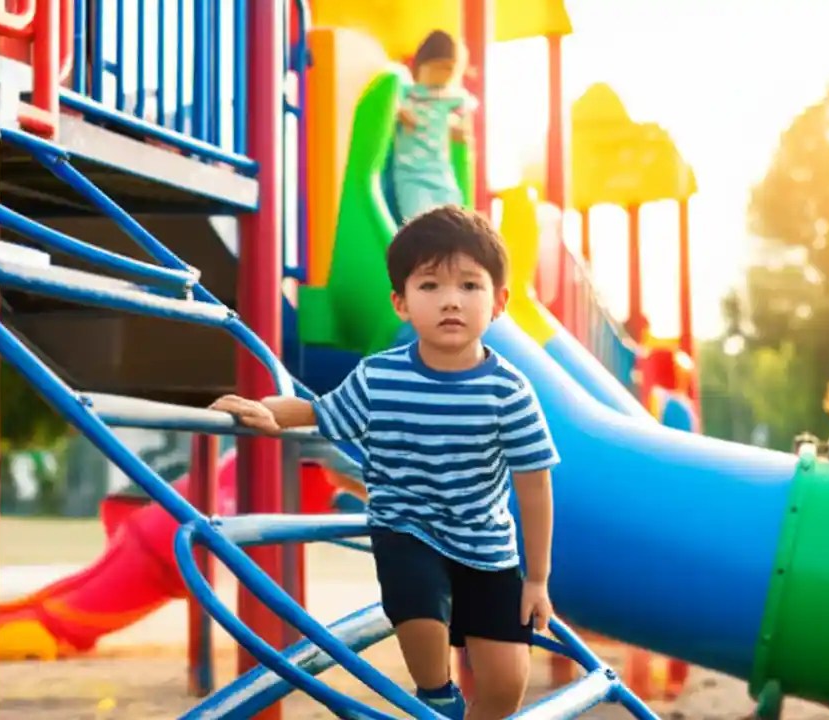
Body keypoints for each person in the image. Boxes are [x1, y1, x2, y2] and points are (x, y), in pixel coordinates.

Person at [210, 205, 559, 720]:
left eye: (469, 286)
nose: (450, 302)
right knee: (418, 612)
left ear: (499, 302)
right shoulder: (379, 377)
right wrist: (267, 411)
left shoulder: (510, 391)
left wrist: (538, 579)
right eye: (430, 286)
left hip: (486, 544)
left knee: (507, 683)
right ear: (400, 303)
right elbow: (318, 411)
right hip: (406, 526)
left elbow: (534, 485)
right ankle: (436, 692)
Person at [392, 29, 477, 221]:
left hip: (441, 173)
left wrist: (457, 127)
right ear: (422, 66)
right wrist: (399, 112)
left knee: (453, 219)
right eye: (440, 67)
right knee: (419, 220)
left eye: (451, 69)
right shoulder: (408, 93)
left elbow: (466, 117)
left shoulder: (450, 98)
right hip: (411, 173)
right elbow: (389, 100)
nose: (445, 75)